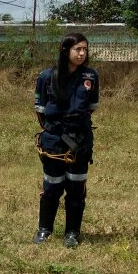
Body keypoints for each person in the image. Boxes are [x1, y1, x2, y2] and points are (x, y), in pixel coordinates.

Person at [33, 33, 99, 248]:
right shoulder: (46, 77)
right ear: (65, 51)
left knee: (76, 188)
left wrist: (74, 132)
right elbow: (41, 112)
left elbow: (90, 108)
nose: (82, 53)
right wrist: (55, 132)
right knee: (52, 186)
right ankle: (44, 230)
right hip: (53, 140)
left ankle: (72, 233)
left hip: (80, 140)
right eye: (77, 49)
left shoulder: (91, 77)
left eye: (85, 49)